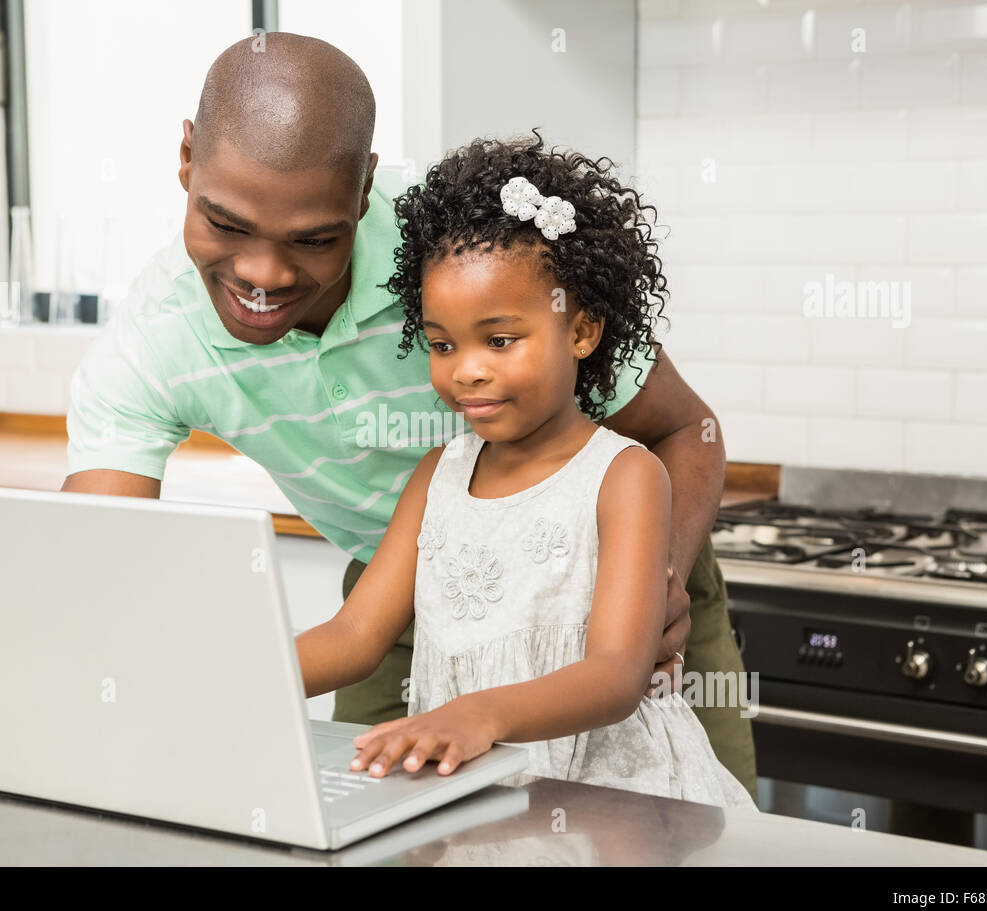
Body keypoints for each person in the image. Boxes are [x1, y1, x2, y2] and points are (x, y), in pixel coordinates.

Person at [61, 32, 757, 802]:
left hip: (621, 596)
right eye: (437, 343)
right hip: (422, 608)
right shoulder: (157, 341)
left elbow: (685, 434)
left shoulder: (476, 248)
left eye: (313, 239)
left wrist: (654, 587)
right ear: (186, 159)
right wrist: (195, 678)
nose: (262, 274)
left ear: (362, 192)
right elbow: (107, 575)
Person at [293, 136, 757, 810]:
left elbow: (617, 673)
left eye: (500, 339)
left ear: (582, 331)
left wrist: (479, 715)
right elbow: (356, 637)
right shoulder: (437, 476)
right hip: (476, 791)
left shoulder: (624, 477)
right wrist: (249, 671)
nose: (467, 368)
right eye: (443, 344)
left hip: (613, 798)